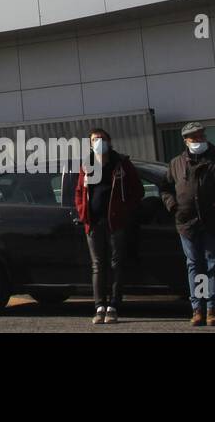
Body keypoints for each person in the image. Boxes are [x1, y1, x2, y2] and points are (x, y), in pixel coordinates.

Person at [159, 123, 215, 327]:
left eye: (200, 136)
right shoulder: (176, 163)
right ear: (185, 141)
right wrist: (173, 206)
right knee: (195, 265)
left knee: (213, 264)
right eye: (193, 138)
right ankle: (197, 309)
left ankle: (212, 309)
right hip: (187, 223)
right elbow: (165, 188)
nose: (198, 140)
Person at [74, 127, 142, 325]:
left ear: (109, 141)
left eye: (102, 138)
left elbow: (137, 191)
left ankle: (113, 305)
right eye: (94, 139)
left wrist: (124, 211)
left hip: (115, 221)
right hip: (93, 222)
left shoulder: (120, 163)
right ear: (90, 143)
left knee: (116, 263)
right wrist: (83, 212)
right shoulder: (87, 164)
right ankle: (99, 306)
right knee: (97, 265)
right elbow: (79, 191)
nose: (98, 141)